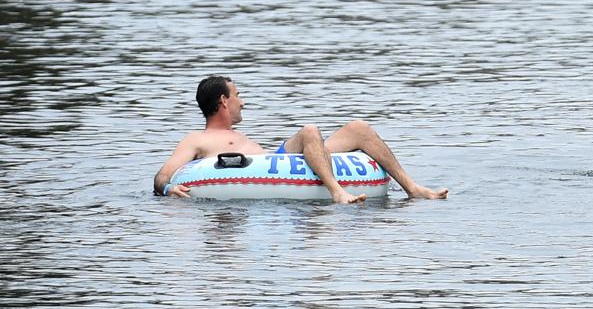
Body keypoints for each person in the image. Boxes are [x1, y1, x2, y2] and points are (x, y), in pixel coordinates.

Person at [152, 76, 448, 203]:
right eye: (238, 95)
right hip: (260, 175)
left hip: (276, 162)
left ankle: (413, 188)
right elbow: (162, 176)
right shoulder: (197, 139)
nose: (243, 101)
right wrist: (168, 189)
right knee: (310, 130)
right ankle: (337, 193)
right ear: (223, 101)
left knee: (358, 127)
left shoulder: (238, 134)